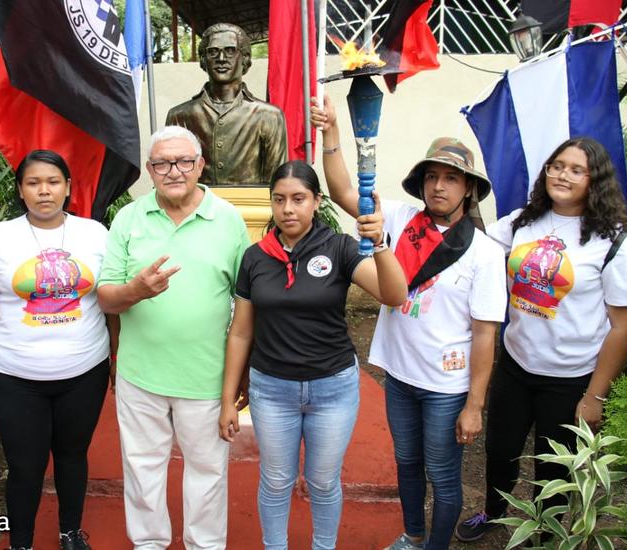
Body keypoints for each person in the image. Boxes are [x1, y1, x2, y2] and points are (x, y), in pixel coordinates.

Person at [312, 97, 508, 550]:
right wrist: (333, 133)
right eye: (432, 176)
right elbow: (344, 191)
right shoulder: (399, 219)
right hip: (399, 376)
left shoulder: (484, 252)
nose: (439, 186)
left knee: (442, 471)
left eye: (451, 178)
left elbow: (485, 334)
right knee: (406, 463)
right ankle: (413, 535)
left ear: (468, 189)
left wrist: (474, 404)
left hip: (447, 385)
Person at [455, 137, 627, 542]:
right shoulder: (523, 221)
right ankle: (494, 510)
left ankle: (546, 533)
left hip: (571, 376)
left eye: (576, 169)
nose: (562, 174)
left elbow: (625, 325)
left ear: (597, 181)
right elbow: (476, 251)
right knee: (500, 450)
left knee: (553, 467)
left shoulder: (614, 241)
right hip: (517, 363)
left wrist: (595, 396)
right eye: (557, 165)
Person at [218, 160, 407, 550]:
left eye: (299, 199)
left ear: (317, 201)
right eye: (280, 200)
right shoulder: (255, 257)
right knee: (275, 480)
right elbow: (240, 332)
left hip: (332, 388)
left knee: (322, 481)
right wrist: (228, 400)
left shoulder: (339, 248)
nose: (288, 209)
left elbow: (395, 295)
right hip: (272, 390)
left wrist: (382, 243)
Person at [0, 150, 115, 550]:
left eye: (53, 182)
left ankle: (70, 532)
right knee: (25, 465)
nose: (44, 191)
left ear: (68, 188)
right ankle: (21, 541)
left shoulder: (95, 234)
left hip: (84, 369)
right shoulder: (0, 236)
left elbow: (110, 302)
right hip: (18, 376)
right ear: (21, 190)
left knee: (73, 456)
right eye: (34, 183)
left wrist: (116, 356)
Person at [97, 125, 249, 550]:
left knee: (208, 470)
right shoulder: (128, 218)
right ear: (149, 170)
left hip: (206, 376)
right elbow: (106, 296)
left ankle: (204, 545)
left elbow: (247, 300)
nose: (174, 171)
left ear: (200, 165)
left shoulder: (228, 219)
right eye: (162, 163)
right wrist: (135, 292)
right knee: (142, 466)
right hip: (140, 374)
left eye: (184, 161)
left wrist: (243, 373)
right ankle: (148, 543)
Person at [166, 22, 287, 186]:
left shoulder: (269, 116)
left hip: (250, 209)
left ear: (245, 58)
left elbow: (276, 185)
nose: (221, 59)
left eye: (230, 51)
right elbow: (173, 177)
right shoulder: (180, 116)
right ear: (203, 60)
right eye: (213, 52)